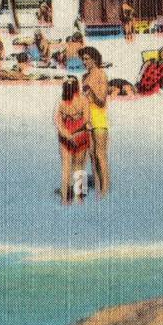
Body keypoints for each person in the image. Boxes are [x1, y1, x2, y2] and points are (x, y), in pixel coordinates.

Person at [54, 76, 91, 205]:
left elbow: (57, 122)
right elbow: (86, 119)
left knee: (66, 168)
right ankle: (79, 198)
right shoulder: (83, 100)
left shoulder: (61, 101)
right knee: (79, 167)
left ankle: (65, 199)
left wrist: (67, 134)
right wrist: (75, 133)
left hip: (66, 135)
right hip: (81, 134)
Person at [79, 46, 110, 197]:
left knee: (100, 155)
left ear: (94, 59)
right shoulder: (84, 77)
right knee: (91, 155)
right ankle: (98, 189)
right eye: (82, 59)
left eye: (86, 59)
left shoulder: (101, 75)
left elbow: (102, 100)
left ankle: (105, 190)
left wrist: (91, 89)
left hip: (98, 116)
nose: (84, 62)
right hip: (87, 118)